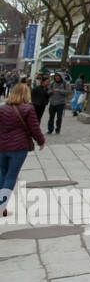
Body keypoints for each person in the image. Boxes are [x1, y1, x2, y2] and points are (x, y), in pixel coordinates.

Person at [0, 83, 45, 218]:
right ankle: (2, 207)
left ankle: (2, 204)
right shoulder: (28, 109)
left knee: (2, 173)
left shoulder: (2, 109)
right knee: (11, 176)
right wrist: (41, 141)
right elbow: (34, 128)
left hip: (2, 147)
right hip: (19, 148)